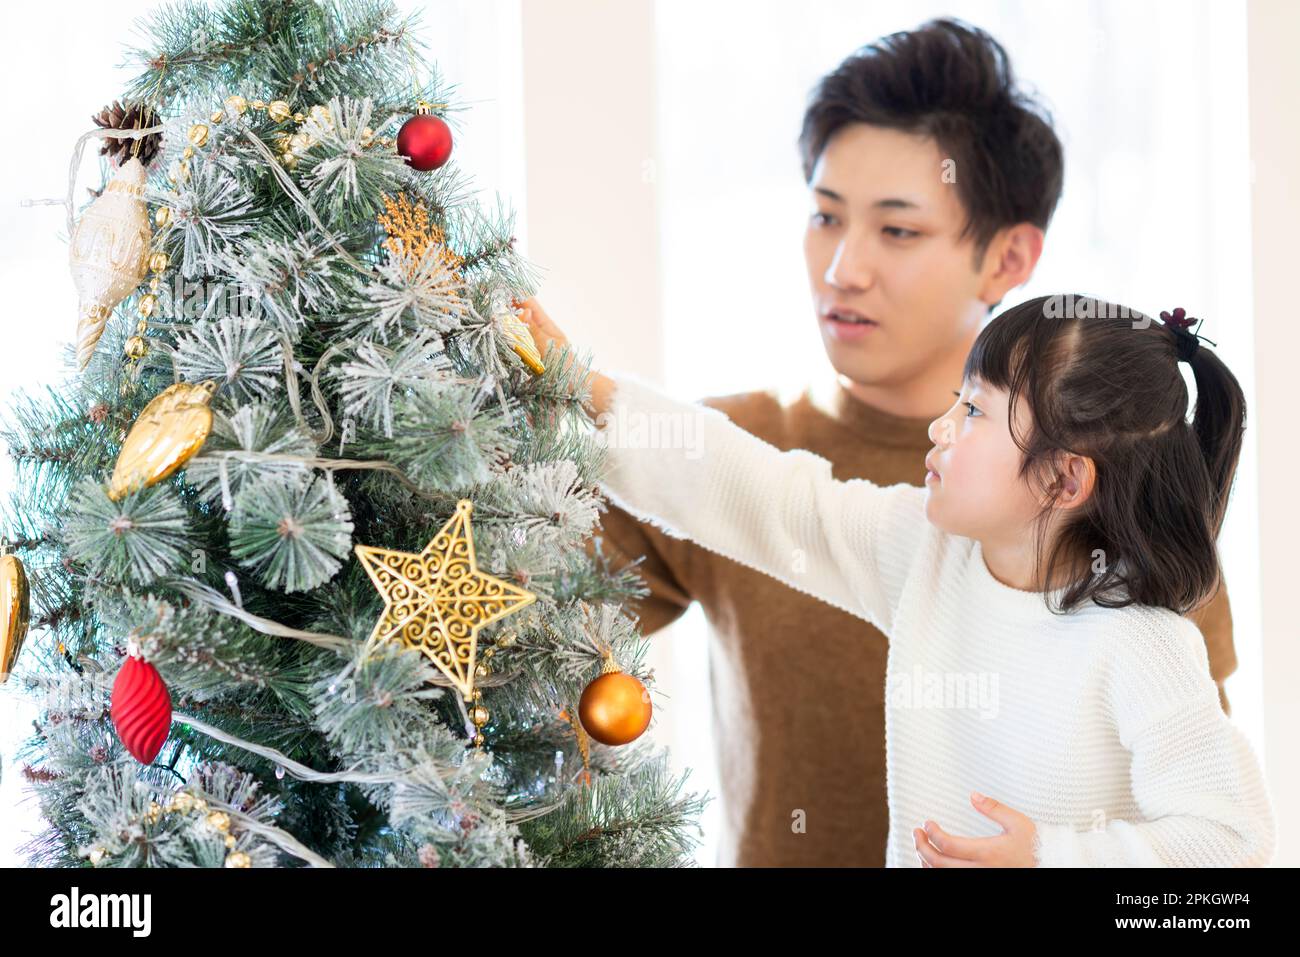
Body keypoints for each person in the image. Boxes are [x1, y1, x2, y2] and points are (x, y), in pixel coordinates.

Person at [555, 18, 1238, 866]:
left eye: (899, 229)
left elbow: (1215, 847)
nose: (844, 268)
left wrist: (1058, 855)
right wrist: (571, 385)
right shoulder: (911, 539)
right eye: (824, 215)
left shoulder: (1144, 569)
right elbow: (751, 489)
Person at [519, 293, 1275, 868]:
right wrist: (596, 395)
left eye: (975, 409)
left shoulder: (1144, 644)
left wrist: (1050, 854)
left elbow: (1230, 843)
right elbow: (774, 496)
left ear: (1063, 478)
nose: (940, 427)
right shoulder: (925, 555)